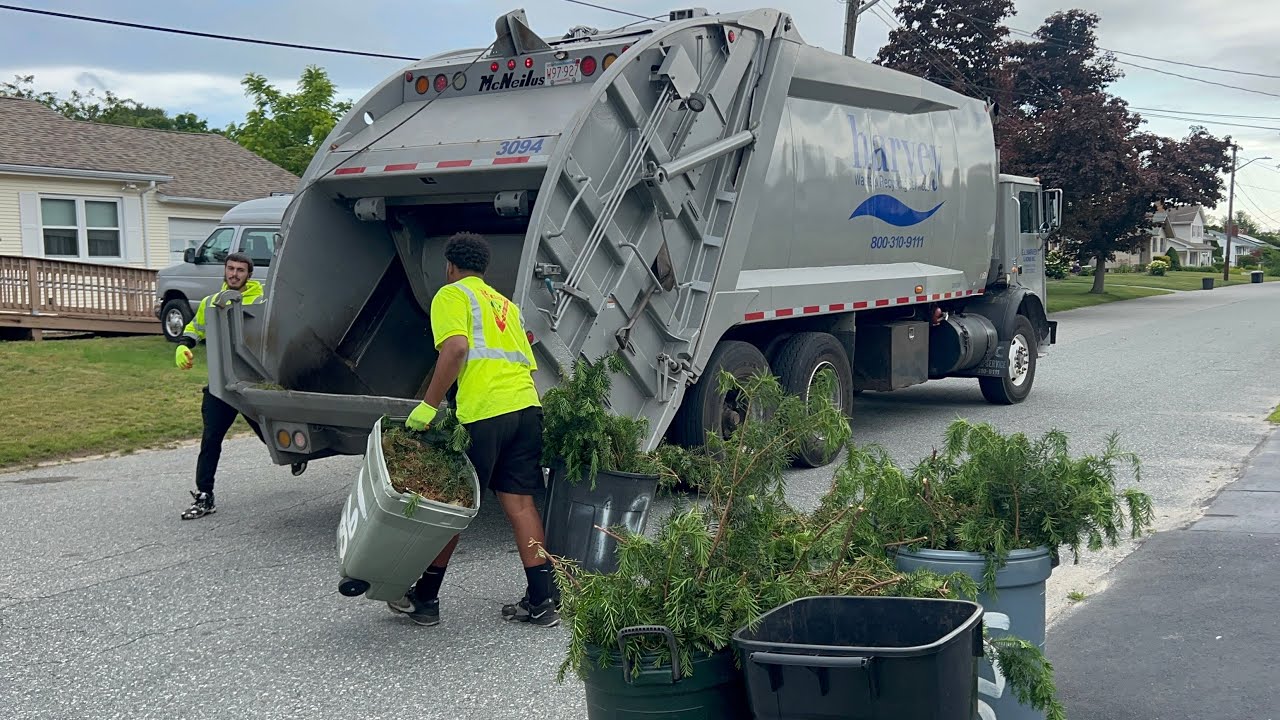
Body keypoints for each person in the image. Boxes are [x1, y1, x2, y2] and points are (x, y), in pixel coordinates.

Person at [386, 232, 556, 628]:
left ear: (450, 266)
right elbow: (529, 365)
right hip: (526, 408)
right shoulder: (507, 306)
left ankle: (425, 599)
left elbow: (457, 349)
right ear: (484, 268)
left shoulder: (451, 296)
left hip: (484, 413)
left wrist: (428, 406)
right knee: (522, 504)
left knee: (455, 506)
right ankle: (542, 601)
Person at [174, 252, 294, 520]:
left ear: (249, 274)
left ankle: (296, 455)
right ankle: (204, 495)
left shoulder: (263, 302)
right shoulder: (211, 302)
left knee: (268, 434)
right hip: (222, 386)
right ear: (225, 271)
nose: (234, 274)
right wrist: (183, 345)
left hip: (254, 385)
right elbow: (196, 328)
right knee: (211, 439)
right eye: (231, 269)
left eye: (241, 270)